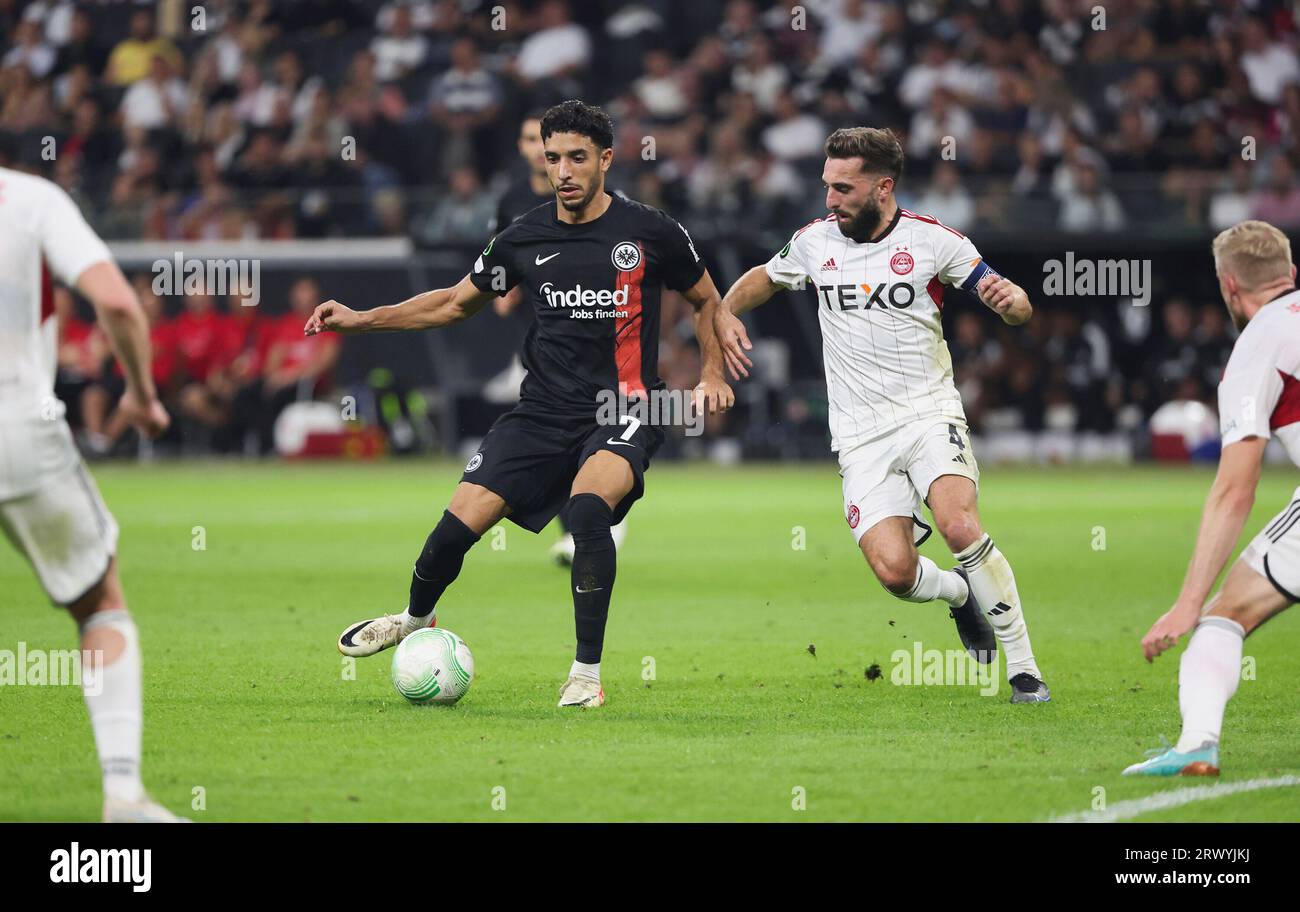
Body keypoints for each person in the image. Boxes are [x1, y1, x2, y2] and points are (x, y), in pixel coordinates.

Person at [314, 100, 733, 707]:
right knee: (455, 529)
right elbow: (454, 303)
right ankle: (414, 616)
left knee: (588, 513)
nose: (564, 170)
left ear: (606, 160)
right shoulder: (523, 237)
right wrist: (361, 320)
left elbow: (707, 299)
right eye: (553, 157)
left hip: (627, 408)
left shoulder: (652, 231)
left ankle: (586, 675)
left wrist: (713, 374)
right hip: (540, 412)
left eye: (577, 158)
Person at [713, 126, 1050, 703]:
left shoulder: (933, 242)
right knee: (896, 573)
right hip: (859, 435)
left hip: (927, 412)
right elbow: (765, 279)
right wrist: (722, 312)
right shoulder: (815, 242)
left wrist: (1015, 304)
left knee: (960, 525)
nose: (830, 200)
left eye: (843, 189)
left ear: (883, 186)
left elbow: (1007, 298)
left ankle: (1024, 669)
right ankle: (961, 596)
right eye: (827, 186)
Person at [0, 164, 184, 821]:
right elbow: (116, 301)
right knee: (100, 600)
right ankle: (123, 795)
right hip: (14, 427)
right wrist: (141, 392)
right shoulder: (30, 199)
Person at [1127, 220, 1299, 776]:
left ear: (1229, 286)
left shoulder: (1258, 346)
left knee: (1222, 616)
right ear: (1290, 273)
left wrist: (1188, 601)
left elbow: (1234, 489)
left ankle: (1198, 742)